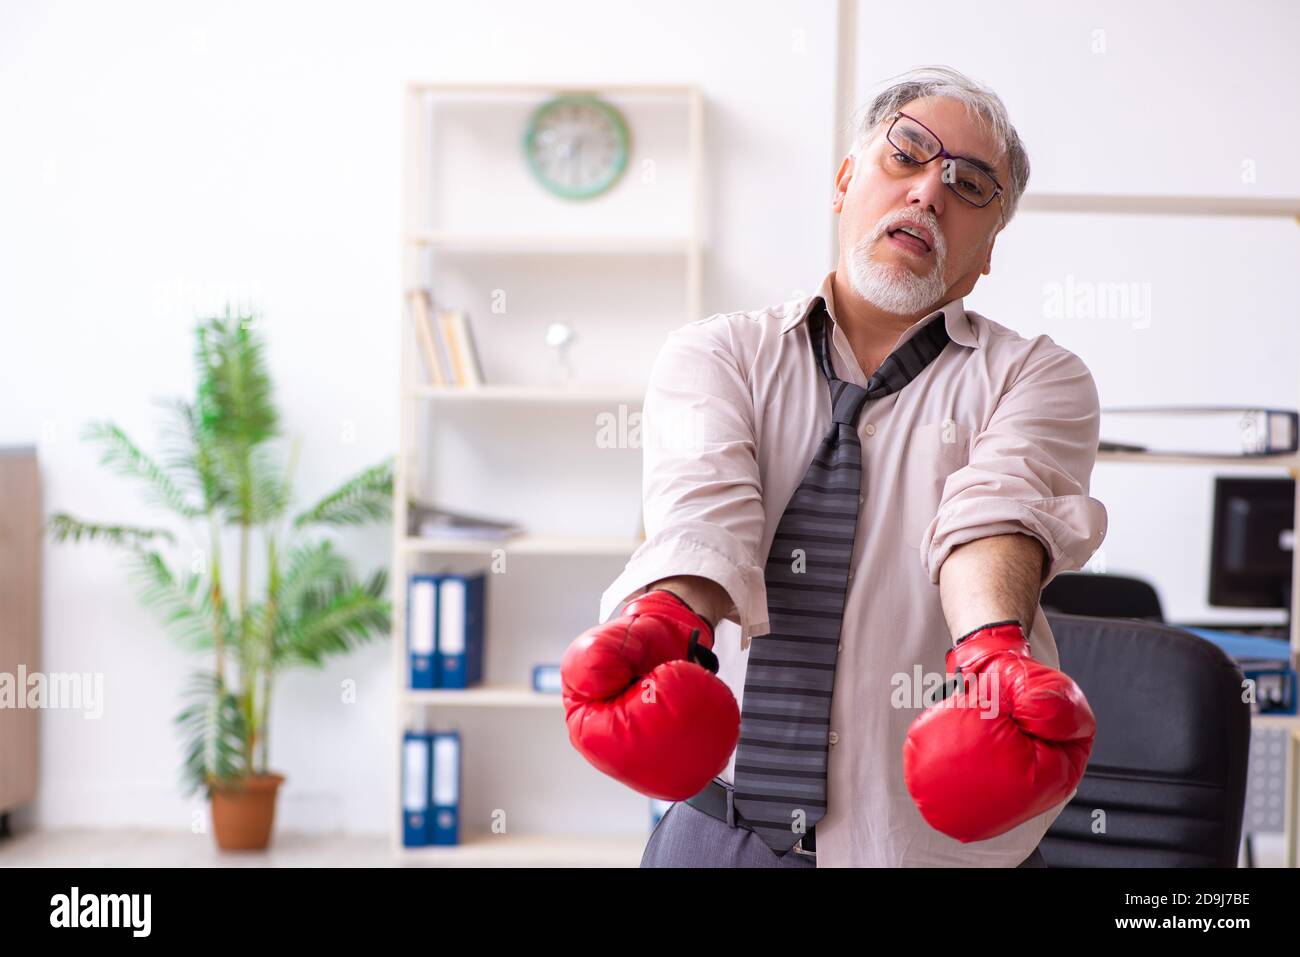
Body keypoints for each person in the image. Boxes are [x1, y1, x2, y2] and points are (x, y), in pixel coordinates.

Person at [562, 65, 1107, 867]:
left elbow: (995, 517)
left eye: (970, 184)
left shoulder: (1039, 376)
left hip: (919, 843)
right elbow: (706, 517)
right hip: (718, 831)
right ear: (846, 181)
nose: (929, 193)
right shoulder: (717, 352)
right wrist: (663, 625)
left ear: (988, 251)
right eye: (908, 155)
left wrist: (994, 653)